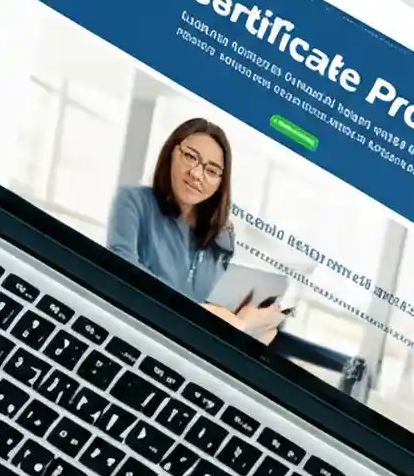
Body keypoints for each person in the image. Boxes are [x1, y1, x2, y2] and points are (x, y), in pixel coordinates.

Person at [107, 117, 283, 342]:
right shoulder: (133, 200)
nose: (197, 174)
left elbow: (217, 300)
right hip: (130, 326)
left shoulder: (221, 236)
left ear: (221, 182)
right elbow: (120, 266)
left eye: (212, 171)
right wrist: (226, 320)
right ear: (171, 152)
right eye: (190, 157)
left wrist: (242, 319)